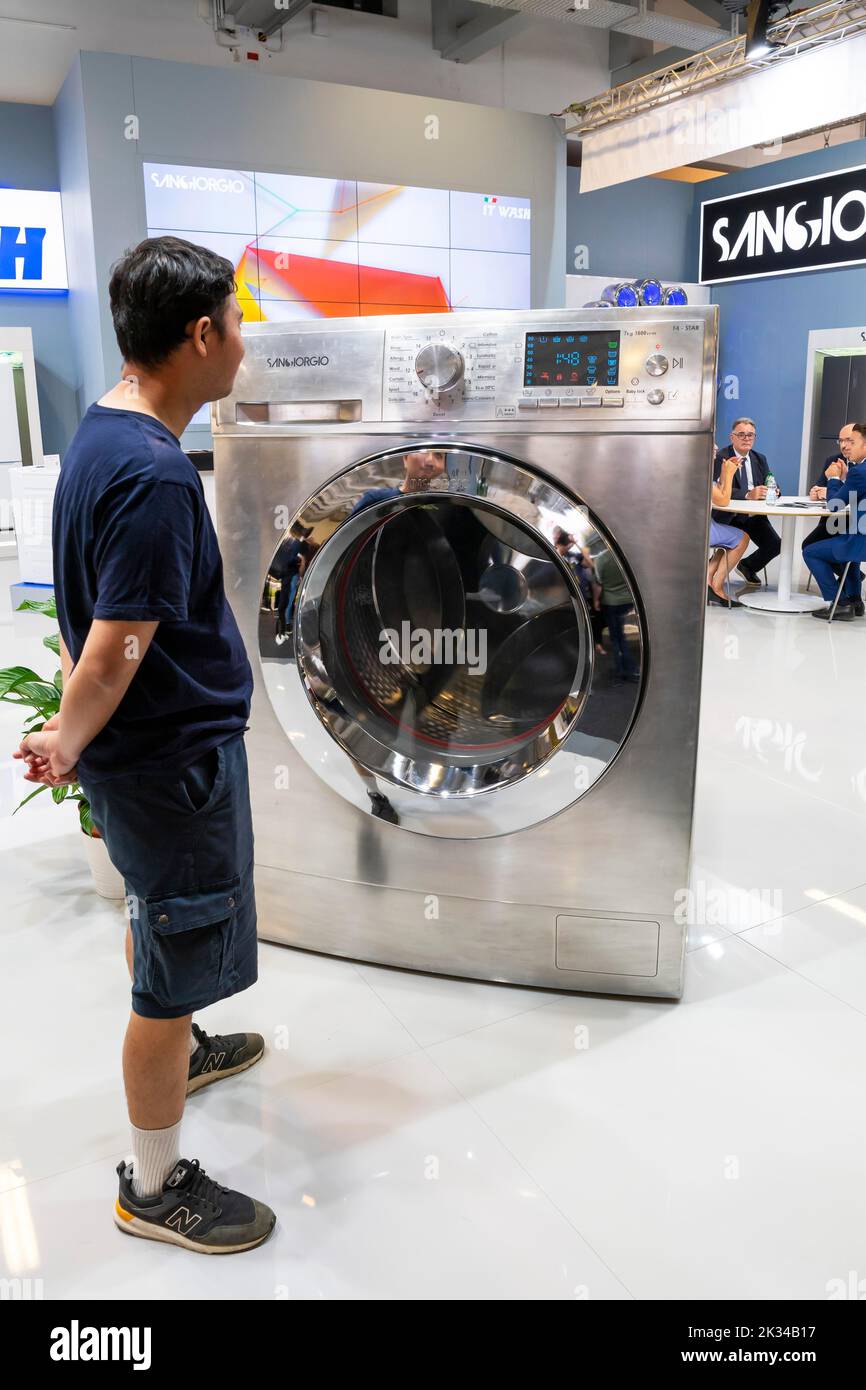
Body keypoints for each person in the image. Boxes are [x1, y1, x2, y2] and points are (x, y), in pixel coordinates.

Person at [13, 236, 276, 1254]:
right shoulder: (156, 473)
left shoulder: (100, 433)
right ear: (201, 335)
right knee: (168, 970)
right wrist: (68, 735)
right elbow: (119, 639)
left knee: (155, 915)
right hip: (169, 765)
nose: (243, 343)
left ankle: (188, 1049)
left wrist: (77, 734)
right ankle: (155, 1186)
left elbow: (90, 614)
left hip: (142, 761)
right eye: (238, 323)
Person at [804, 420, 866, 620]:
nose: (846, 446)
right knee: (845, 544)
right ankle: (855, 600)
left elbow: (835, 505)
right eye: (842, 441)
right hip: (856, 530)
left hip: (859, 539)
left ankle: (840, 604)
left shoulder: (859, 472)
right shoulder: (856, 470)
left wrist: (833, 479)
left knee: (810, 551)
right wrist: (844, 482)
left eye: (852, 442)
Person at [713, 418, 781, 585]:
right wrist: (748, 494)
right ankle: (711, 579)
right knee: (728, 546)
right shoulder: (721, 457)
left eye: (750, 435)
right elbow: (718, 490)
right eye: (741, 434)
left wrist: (774, 490)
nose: (746, 438)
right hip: (730, 516)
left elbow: (771, 481)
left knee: (776, 545)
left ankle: (748, 566)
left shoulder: (760, 458)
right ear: (732, 437)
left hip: (754, 517)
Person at [707, 453, 749, 607]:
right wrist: (730, 474)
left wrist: (724, 472)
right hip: (701, 529)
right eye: (712, 445)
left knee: (730, 536)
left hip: (694, 524)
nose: (716, 448)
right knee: (742, 538)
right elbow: (723, 501)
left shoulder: (696, 469)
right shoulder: (702, 473)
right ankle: (717, 587)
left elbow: (717, 491)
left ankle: (708, 578)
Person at [351, 448, 446, 513]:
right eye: (423, 451)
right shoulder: (374, 500)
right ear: (406, 458)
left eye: (438, 455)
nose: (430, 461)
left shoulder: (443, 504)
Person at [594, 549, 638, 683]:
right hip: (626, 602)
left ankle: (621, 673)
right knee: (622, 636)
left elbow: (599, 584)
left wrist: (596, 601)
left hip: (610, 603)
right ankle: (631, 671)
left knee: (616, 639)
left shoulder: (602, 558)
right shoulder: (628, 555)